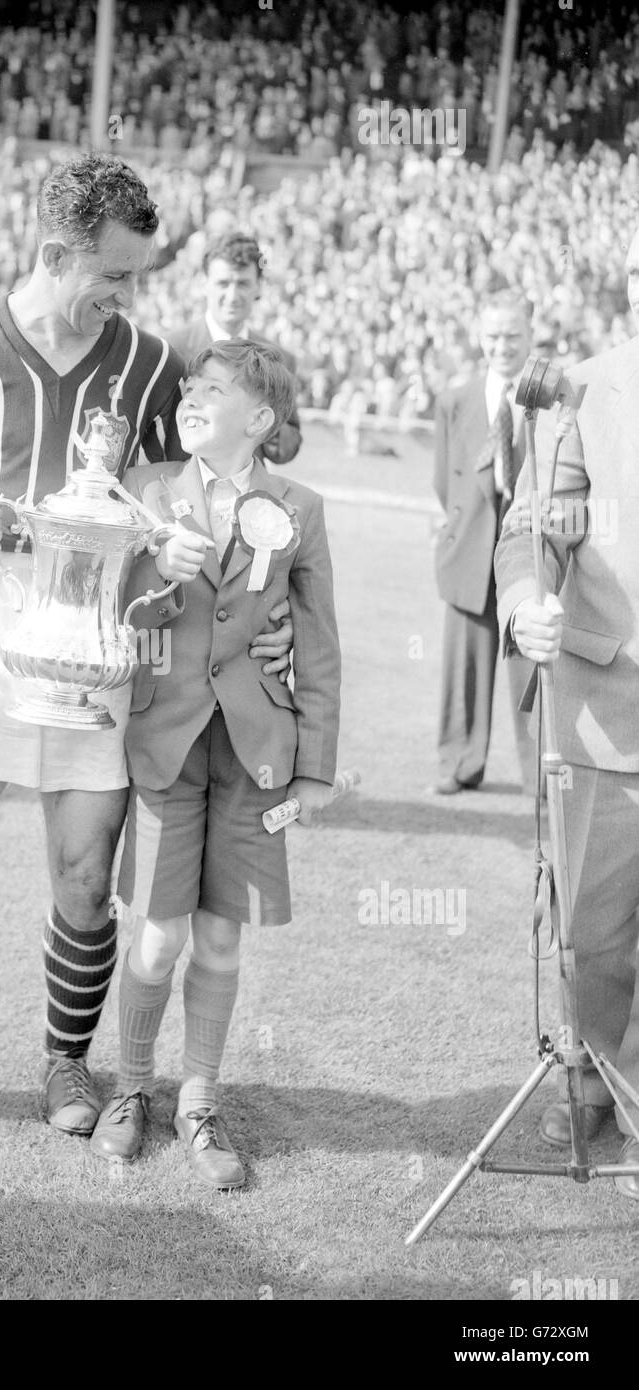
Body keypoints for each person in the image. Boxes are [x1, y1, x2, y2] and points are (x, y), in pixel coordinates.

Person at [0, 155, 293, 1149]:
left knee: (84, 877)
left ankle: (64, 1062)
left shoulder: (146, 361)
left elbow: (172, 480)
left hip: (98, 641)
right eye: (112, 277)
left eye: (136, 278)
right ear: (51, 254)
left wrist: (173, 536)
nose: (126, 298)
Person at [88, 340, 340, 1187]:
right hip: (165, 744)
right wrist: (156, 568)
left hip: (257, 754)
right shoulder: (151, 489)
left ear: (260, 419)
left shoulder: (300, 507)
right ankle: (130, 1088)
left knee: (222, 940)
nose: (191, 399)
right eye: (188, 389)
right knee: (157, 940)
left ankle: (198, 1100)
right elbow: (114, 610)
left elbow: (318, 645)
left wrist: (314, 768)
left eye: (213, 391)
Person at [494, 225, 639, 1201]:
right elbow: (529, 528)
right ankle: (586, 1074)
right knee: (588, 932)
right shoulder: (582, 389)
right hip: (599, 717)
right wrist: (523, 598)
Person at [431, 289, 536, 796]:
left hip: (531, 556)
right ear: (479, 335)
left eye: (513, 335)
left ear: (531, 334)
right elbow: (442, 481)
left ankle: (540, 775)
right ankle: (460, 764)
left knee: (531, 669)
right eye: (493, 336)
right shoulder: (456, 399)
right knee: (464, 673)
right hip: (469, 550)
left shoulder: (548, 397)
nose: (502, 346)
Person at [165, 232, 302, 464]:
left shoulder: (279, 360)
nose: (232, 295)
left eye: (243, 283)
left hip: (246, 494)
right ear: (203, 283)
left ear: (259, 286)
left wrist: (268, 423)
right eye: (223, 283)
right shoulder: (170, 349)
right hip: (180, 487)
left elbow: (287, 446)